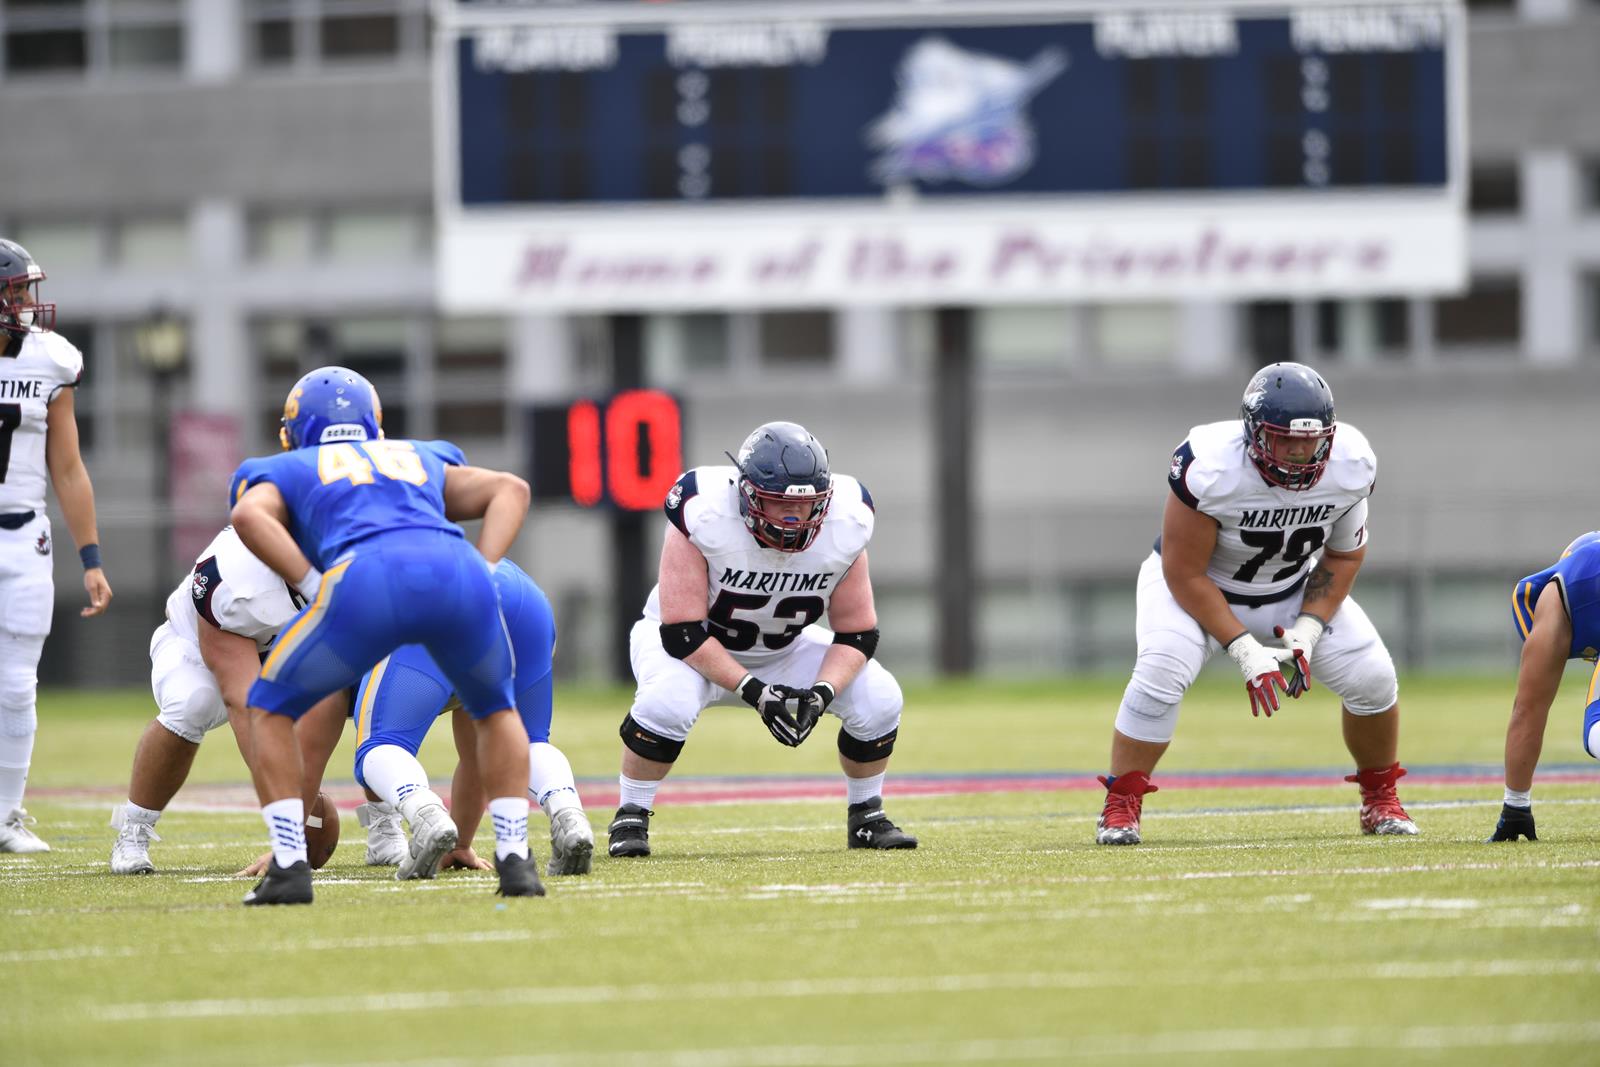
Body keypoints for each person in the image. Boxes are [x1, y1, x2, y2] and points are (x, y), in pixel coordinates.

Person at [228, 366, 538, 904]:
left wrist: (309, 580)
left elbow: (248, 516)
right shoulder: (420, 454)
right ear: (374, 421)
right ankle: (515, 859)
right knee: (495, 710)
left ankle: (288, 865)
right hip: (456, 572)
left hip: (365, 580)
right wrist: (482, 569)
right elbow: (511, 489)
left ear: (296, 427)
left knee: (270, 707)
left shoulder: (288, 465)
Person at [1096, 362, 1416, 845]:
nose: (1300, 452)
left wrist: (1309, 629)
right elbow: (1183, 572)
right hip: (1194, 588)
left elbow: (1345, 554)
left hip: (1289, 588)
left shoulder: (1352, 463)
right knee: (1161, 669)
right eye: (1284, 439)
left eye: (1310, 440)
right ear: (1252, 434)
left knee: (1373, 676)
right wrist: (1244, 650)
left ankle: (1380, 800)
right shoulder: (1211, 466)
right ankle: (1121, 806)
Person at [607, 420, 915, 858]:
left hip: (782, 646)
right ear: (746, 495)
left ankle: (866, 815)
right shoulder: (704, 511)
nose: (793, 519)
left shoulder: (848, 523)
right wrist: (754, 691)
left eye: (807, 506)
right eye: (776, 504)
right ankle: (631, 815)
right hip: (690, 646)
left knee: (880, 697)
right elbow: (681, 632)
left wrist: (823, 691)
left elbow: (858, 633)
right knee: (666, 704)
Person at [108, 525, 390, 875]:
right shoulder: (231, 576)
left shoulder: (358, 554)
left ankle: (384, 827)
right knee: (193, 702)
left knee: (377, 689)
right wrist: (289, 804)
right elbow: (247, 705)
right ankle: (134, 829)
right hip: (200, 645)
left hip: (294, 650)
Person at [351, 557, 594, 878]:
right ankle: (567, 810)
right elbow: (478, 751)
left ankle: (424, 813)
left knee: (380, 743)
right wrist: (460, 843)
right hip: (523, 597)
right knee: (523, 738)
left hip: (433, 598)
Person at [0, 238, 112, 854]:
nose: (24, 303)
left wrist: (90, 558)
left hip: (24, 535)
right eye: (13, 291)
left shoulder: (49, 360)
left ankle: (6, 815)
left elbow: (67, 468)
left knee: (17, 683)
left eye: (24, 291)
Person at [1488, 531, 1600, 842]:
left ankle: (1516, 808)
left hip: (1578, 589)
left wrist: (1516, 807)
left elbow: (1528, 710)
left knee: (1595, 731)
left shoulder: (1558, 596)